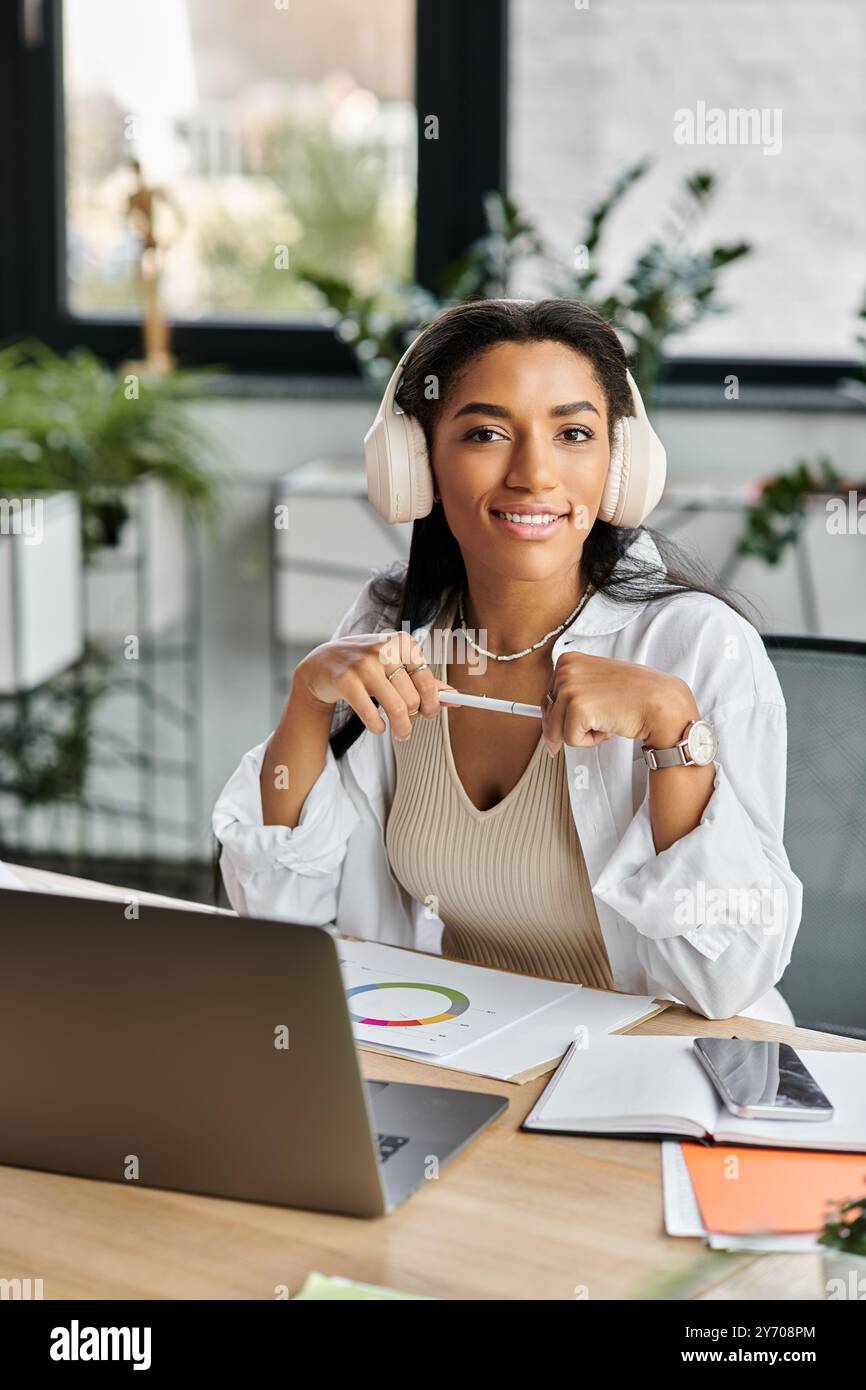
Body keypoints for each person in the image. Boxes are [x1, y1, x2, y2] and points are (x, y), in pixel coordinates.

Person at [213, 298, 802, 1023]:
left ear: (621, 465)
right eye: (487, 432)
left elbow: (728, 978)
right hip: (461, 1055)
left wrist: (676, 735)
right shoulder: (394, 627)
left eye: (573, 433)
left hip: (661, 1075)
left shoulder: (698, 647)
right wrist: (308, 699)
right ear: (416, 463)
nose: (534, 474)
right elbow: (284, 918)